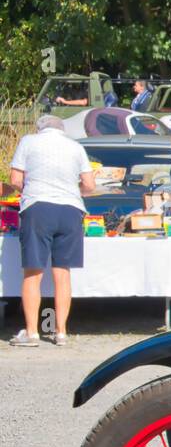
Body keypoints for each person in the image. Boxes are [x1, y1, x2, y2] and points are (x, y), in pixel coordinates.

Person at [7, 115, 95, 347]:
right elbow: (89, 185)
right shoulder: (76, 147)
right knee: (62, 273)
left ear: (40, 129)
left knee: (33, 273)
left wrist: (31, 185)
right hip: (71, 210)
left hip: (38, 208)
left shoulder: (28, 141)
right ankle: (61, 332)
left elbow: (15, 180)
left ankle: (32, 332)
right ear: (62, 129)